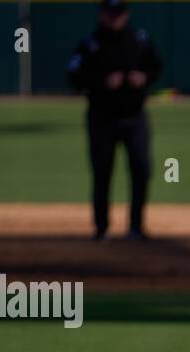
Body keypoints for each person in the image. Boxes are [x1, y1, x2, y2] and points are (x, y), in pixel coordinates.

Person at [66, 0, 162, 241]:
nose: (115, 18)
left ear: (126, 14)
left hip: (134, 116)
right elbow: (74, 75)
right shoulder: (91, 44)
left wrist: (144, 77)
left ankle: (136, 227)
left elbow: (157, 65)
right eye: (110, 13)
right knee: (102, 172)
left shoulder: (139, 39)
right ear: (102, 14)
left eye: (119, 13)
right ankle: (101, 228)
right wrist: (102, 82)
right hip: (102, 118)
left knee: (141, 169)